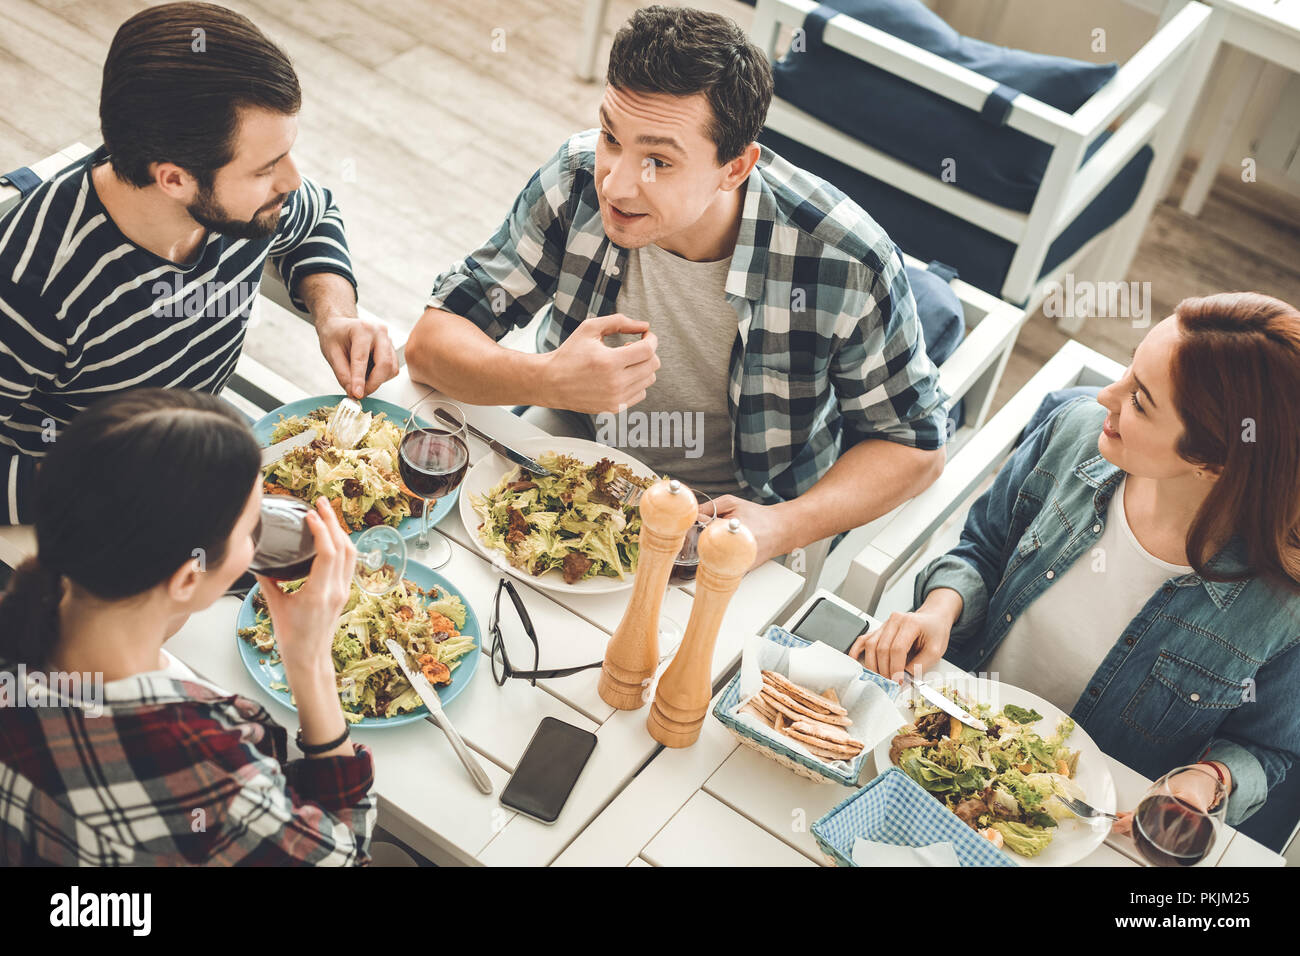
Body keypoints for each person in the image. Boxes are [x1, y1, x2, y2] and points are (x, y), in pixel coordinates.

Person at [404, 6, 947, 569]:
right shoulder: (573, 179)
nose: (614, 183)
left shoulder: (846, 258)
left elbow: (916, 445)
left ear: (735, 168)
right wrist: (548, 380)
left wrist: (783, 525)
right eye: (613, 137)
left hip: (743, 513)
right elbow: (430, 343)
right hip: (573, 450)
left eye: (658, 161)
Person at [851, 293, 1300, 826]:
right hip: (938, 752)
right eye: (1129, 369)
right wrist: (939, 609)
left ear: (1212, 460)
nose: (1106, 396)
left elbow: (1266, 749)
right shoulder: (1074, 434)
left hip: (1078, 831)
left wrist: (1206, 781)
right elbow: (984, 548)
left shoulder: (1284, 606)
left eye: (1140, 400)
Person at [0, 2, 398, 525]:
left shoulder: (246, 202)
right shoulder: (31, 284)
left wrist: (335, 314)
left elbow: (319, 218)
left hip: (200, 452)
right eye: (266, 168)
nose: (292, 181)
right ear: (174, 179)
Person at [0, 388, 374, 865]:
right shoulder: (206, 768)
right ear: (185, 578)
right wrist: (311, 662)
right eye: (251, 527)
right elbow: (345, 856)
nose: (263, 534)